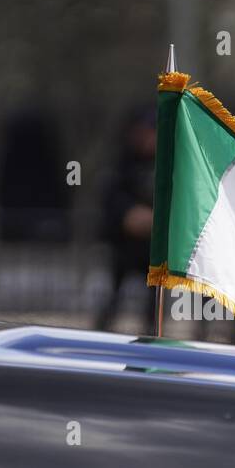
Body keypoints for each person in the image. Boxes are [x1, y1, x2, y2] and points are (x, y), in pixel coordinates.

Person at [95, 109, 158, 334]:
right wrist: (128, 214)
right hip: (124, 244)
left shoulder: (164, 163)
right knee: (114, 294)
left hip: (152, 247)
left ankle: (150, 335)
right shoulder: (123, 162)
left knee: (153, 302)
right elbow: (110, 196)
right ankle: (101, 331)